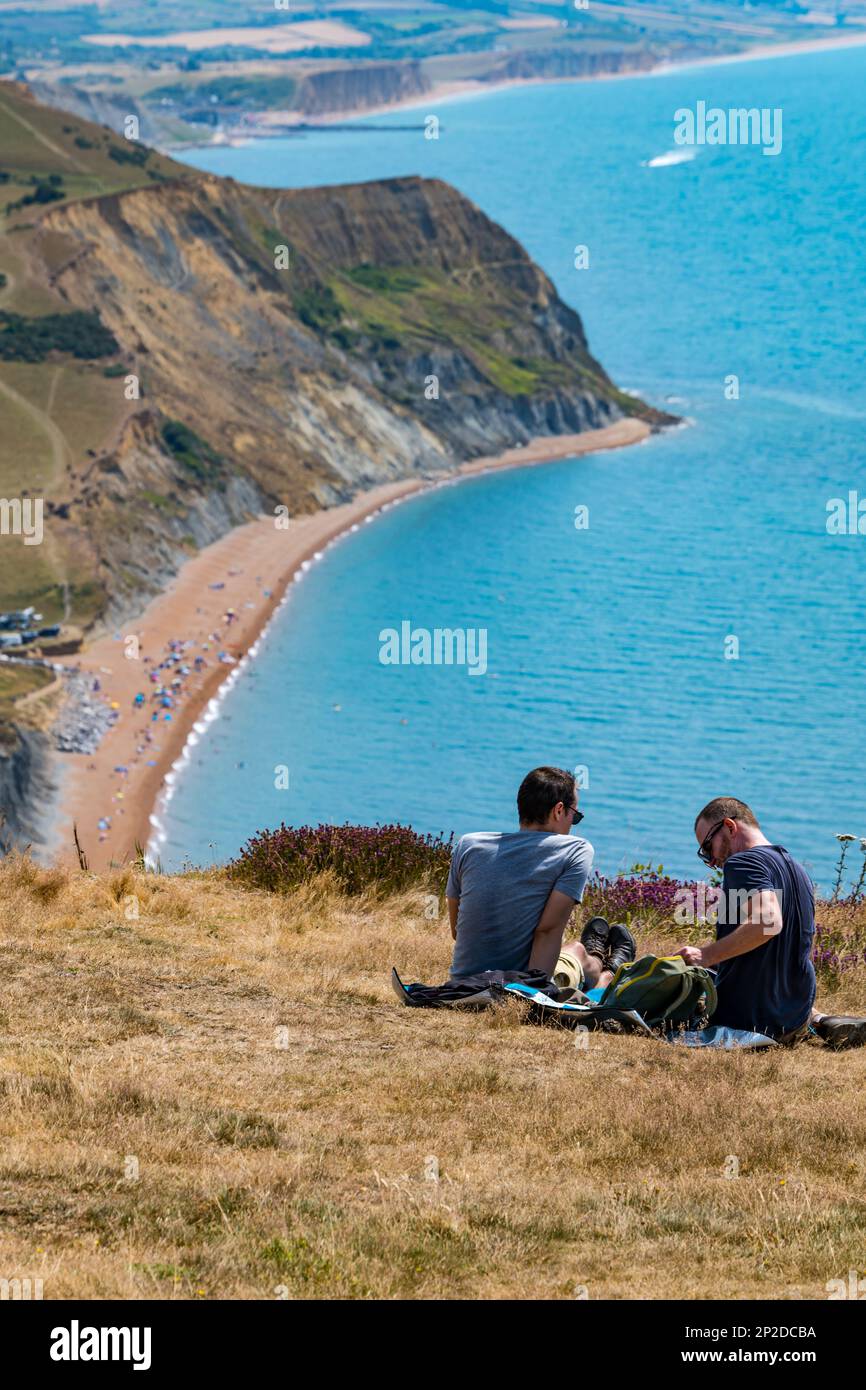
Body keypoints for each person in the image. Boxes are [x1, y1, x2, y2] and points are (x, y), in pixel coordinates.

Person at [680, 796, 866, 1047]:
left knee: (669, 981)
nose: (710, 860)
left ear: (730, 827)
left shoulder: (743, 862)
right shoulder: (796, 868)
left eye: (707, 848)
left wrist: (705, 955)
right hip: (793, 1015)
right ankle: (818, 1019)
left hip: (750, 1018)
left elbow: (767, 923)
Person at [446, 766, 635, 987]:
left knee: (573, 952)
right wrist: (535, 991)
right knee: (577, 951)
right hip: (517, 984)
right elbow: (547, 931)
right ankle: (609, 974)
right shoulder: (575, 850)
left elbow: (457, 930)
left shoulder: (468, 845)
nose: (572, 825)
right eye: (575, 816)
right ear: (558, 810)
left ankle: (597, 956)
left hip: (462, 981)